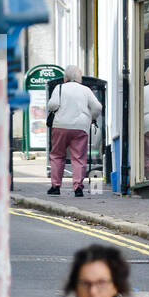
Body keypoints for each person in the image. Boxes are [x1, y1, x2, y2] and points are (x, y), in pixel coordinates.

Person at [46, 65, 101, 198]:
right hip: (80, 127)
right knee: (79, 157)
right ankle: (78, 188)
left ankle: (55, 186)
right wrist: (91, 117)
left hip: (61, 125)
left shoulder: (59, 88)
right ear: (79, 78)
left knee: (57, 155)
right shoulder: (85, 90)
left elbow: (52, 105)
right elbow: (97, 107)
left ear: (66, 77)